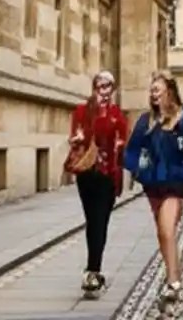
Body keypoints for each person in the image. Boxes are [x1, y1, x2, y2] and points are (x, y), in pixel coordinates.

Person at [123, 71, 183, 306]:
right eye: (151, 91)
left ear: (169, 92)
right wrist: (140, 170)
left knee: (167, 229)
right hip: (154, 186)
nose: (153, 95)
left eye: (157, 90)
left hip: (176, 186)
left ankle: (173, 282)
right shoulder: (146, 120)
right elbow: (131, 151)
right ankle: (175, 276)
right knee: (161, 232)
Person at [67, 70, 127, 298]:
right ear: (94, 88)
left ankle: (93, 270)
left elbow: (120, 148)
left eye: (108, 86)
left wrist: (121, 181)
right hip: (87, 175)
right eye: (100, 86)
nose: (104, 91)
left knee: (99, 223)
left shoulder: (117, 115)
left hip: (107, 176)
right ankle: (93, 271)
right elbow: (77, 137)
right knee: (94, 222)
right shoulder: (82, 111)